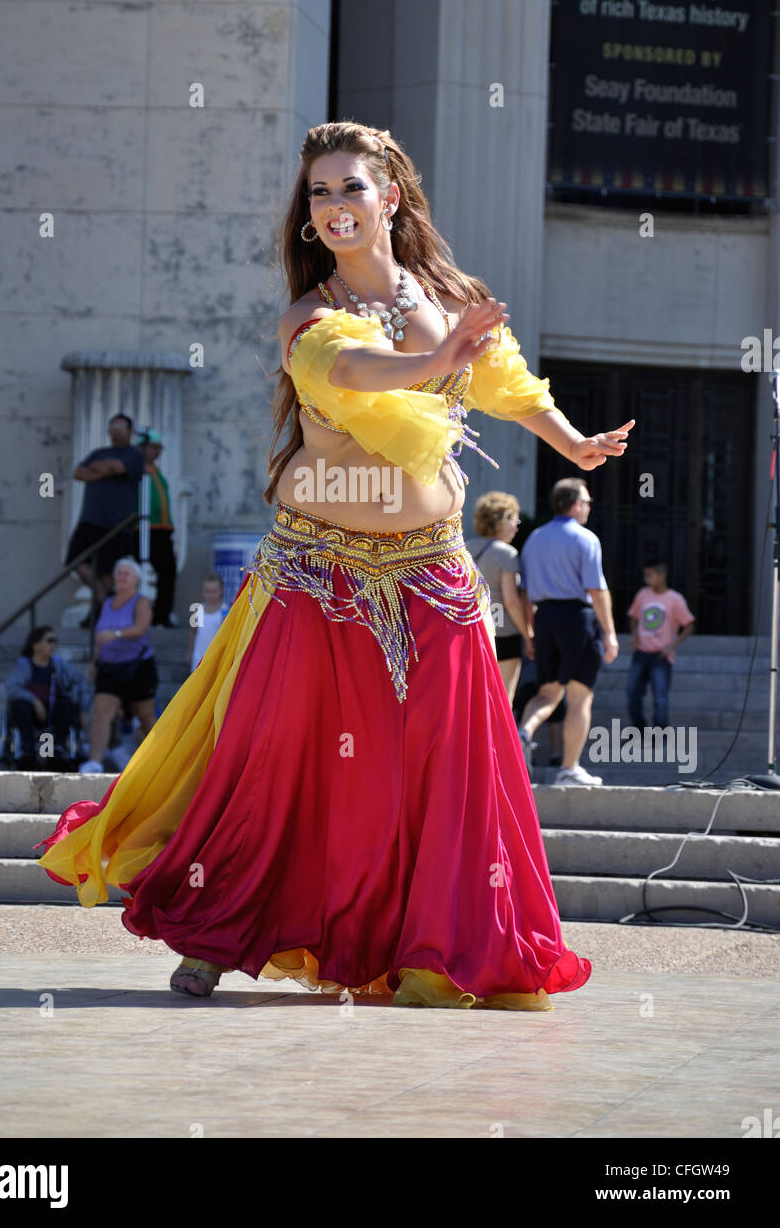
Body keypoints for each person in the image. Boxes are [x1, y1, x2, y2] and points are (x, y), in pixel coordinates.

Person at [38, 120, 633, 1009]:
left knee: (446, 763)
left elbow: (506, 383)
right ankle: (217, 931)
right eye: (318, 192)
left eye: (349, 186)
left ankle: (442, 945)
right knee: (275, 757)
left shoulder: (450, 297)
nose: (332, 205)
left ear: (388, 196)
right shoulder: (309, 317)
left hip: (432, 571)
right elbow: (347, 374)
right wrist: (436, 358)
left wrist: (571, 441)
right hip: (316, 570)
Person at [517, 478, 617, 786]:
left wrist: (529, 633)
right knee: (579, 697)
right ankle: (569, 768)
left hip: (544, 619)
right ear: (575, 505)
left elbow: (525, 593)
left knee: (546, 693)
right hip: (577, 620)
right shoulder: (586, 539)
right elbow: (596, 589)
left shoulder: (534, 538)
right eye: (586, 502)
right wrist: (610, 633)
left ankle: (523, 732)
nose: (588, 508)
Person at [77, 557, 158, 775]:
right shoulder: (107, 603)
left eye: (126, 574)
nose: (122, 577)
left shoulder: (141, 602)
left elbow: (140, 628)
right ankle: (95, 762)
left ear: (136, 579)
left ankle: (161, 759)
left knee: (145, 716)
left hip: (137, 666)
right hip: (109, 667)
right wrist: (95, 661)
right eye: (119, 573)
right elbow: (101, 636)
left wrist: (117, 634)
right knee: (102, 712)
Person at [65, 414, 145, 613]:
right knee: (75, 560)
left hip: (115, 523)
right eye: (113, 427)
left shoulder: (134, 455)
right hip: (89, 518)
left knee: (107, 571)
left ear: (129, 431)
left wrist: (97, 470)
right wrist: (105, 470)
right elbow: (79, 473)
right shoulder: (98, 453)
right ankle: (103, 600)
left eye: (121, 427)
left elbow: (119, 467)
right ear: (108, 430)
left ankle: (105, 609)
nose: (116, 431)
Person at [469, 491, 533, 704]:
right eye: (515, 520)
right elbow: (512, 602)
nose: (517, 527)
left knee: (476, 700)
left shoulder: (465, 547)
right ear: (503, 521)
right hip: (503, 631)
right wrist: (527, 635)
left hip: (473, 630)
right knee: (503, 700)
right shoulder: (506, 553)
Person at [4, 626, 88, 770]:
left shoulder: (59, 665)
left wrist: (84, 709)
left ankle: (57, 752)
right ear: (36, 645)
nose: (53, 644)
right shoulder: (24, 666)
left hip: (54, 712)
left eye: (55, 641)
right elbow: (12, 688)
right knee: (20, 704)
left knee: (66, 703)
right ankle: (28, 752)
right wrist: (34, 701)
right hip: (31, 712)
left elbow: (81, 682)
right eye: (49, 640)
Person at [627, 560, 696, 729]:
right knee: (632, 692)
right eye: (645, 575)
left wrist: (672, 646)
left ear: (662, 575)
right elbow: (634, 617)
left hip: (661, 656)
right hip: (641, 653)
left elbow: (689, 625)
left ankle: (660, 734)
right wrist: (635, 637)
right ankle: (639, 729)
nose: (646, 579)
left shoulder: (675, 599)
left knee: (660, 698)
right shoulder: (642, 595)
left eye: (650, 575)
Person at [135, 428, 177, 627]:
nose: (158, 451)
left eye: (160, 447)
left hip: (161, 530)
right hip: (141, 529)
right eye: (154, 447)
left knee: (168, 572)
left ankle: (161, 616)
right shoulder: (135, 469)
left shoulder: (155, 471)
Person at [188, 574, 229, 674]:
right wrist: (190, 652)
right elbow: (193, 632)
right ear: (202, 591)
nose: (210, 594)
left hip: (216, 660)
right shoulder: (197, 610)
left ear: (221, 591)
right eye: (207, 591)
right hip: (198, 659)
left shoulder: (225, 611)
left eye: (214, 591)